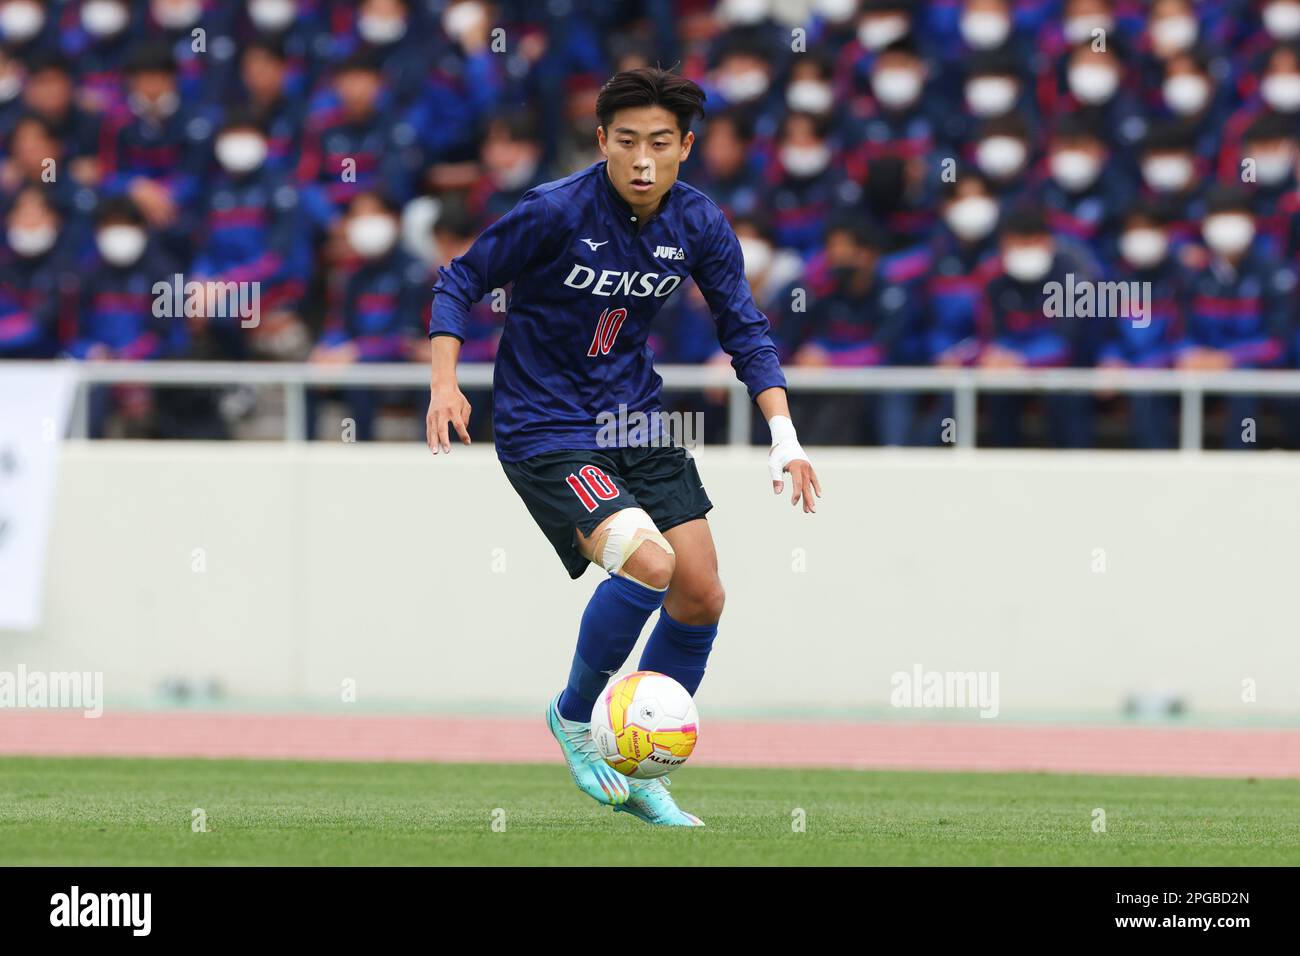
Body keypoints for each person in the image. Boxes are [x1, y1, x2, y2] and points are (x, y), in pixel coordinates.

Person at [427, 67, 821, 826]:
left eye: (661, 144)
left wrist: (784, 436)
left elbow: (743, 328)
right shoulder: (554, 211)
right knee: (650, 563)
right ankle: (575, 718)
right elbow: (458, 279)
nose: (644, 159)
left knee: (701, 591)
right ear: (603, 140)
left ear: (686, 149)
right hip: (546, 427)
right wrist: (446, 382)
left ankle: (636, 760)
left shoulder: (699, 224)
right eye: (629, 141)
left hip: (636, 421)